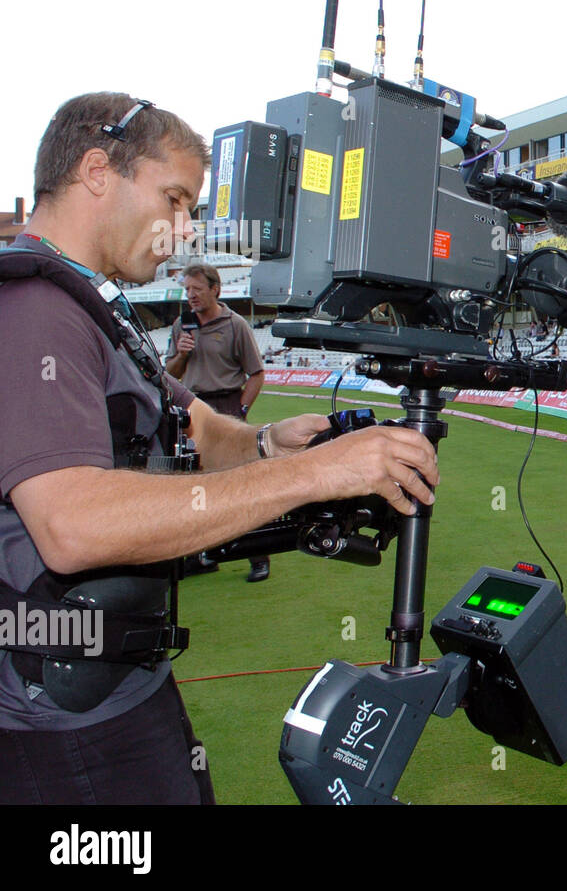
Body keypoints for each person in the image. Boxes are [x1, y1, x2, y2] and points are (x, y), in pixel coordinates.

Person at [0, 93, 439, 804]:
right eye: (173, 199)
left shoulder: (89, 304)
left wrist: (272, 444)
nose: (183, 229)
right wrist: (311, 476)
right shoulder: (32, 313)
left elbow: (201, 430)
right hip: (62, 726)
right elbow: (71, 526)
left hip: (118, 686)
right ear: (95, 170)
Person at [166, 262, 270, 581]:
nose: (191, 296)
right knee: (195, 484)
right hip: (193, 408)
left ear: (215, 289)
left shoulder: (235, 324)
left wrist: (240, 411)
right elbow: (170, 374)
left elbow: (256, 373)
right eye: (187, 290)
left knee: (238, 485)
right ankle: (205, 555)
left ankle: (259, 556)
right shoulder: (181, 325)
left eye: (197, 289)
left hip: (226, 403)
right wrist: (182, 353)